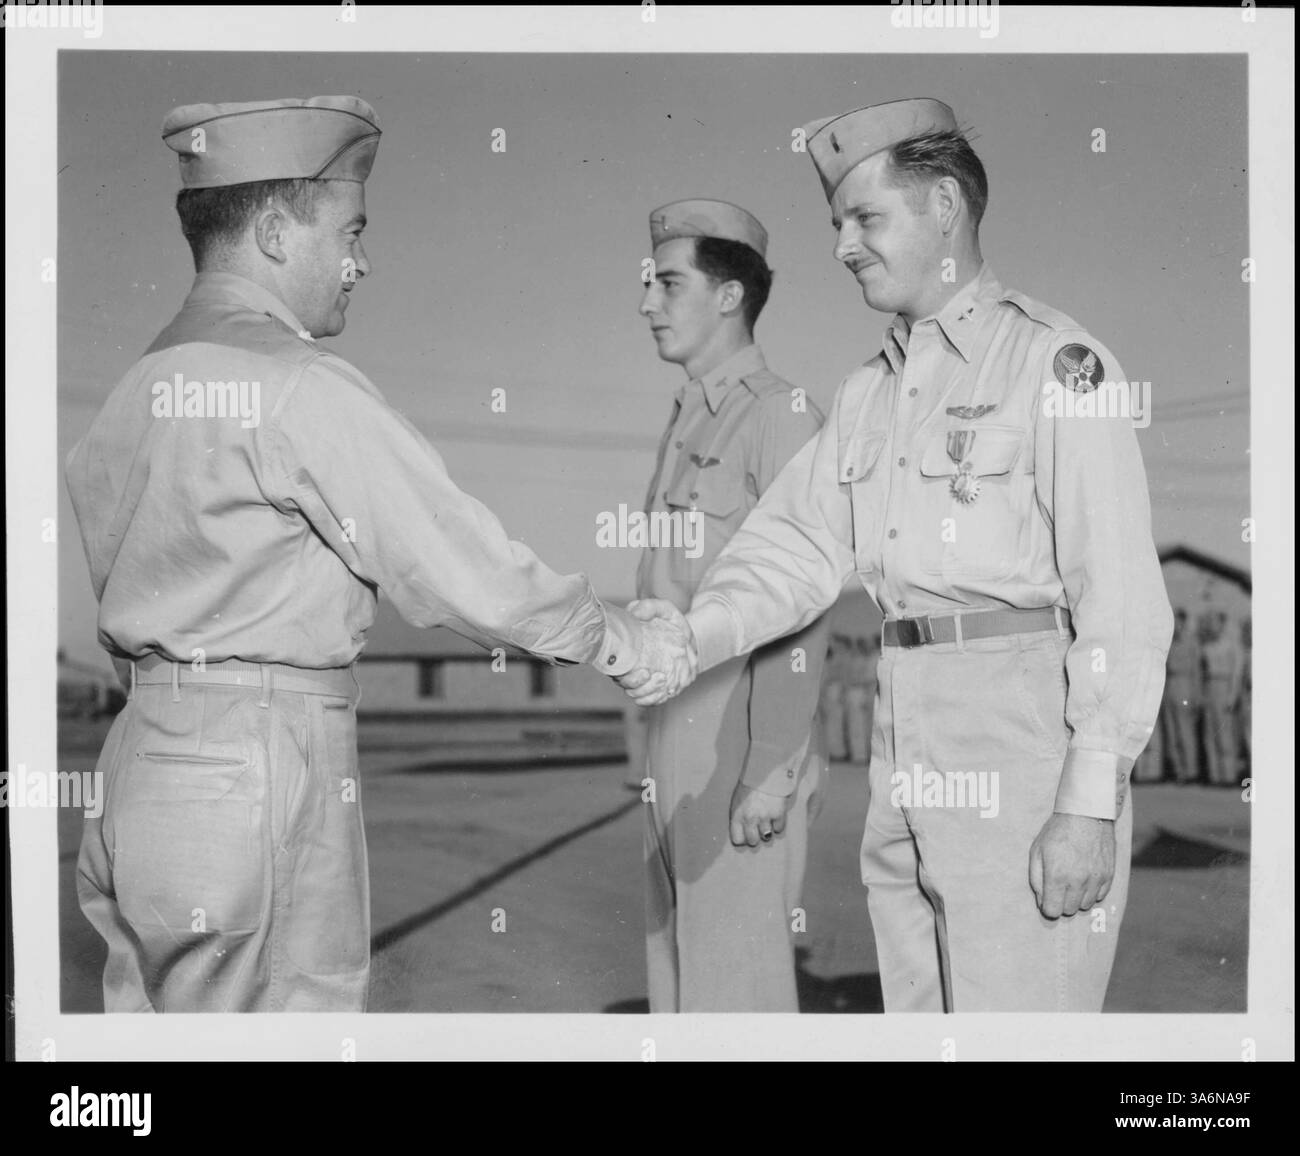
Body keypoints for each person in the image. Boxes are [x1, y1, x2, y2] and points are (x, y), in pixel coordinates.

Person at [66, 95, 666, 1013]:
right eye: (350, 230)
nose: (362, 262)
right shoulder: (296, 384)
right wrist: (621, 638)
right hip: (260, 763)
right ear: (272, 231)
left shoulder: (130, 397)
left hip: (139, 761)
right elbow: (462, 569)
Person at [623, 97, 1173, 1012]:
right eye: (838, 222)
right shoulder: (871, 391)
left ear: (945, 208)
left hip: (1021, 736)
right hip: (903, 731)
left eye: (865, 218)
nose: (842, 245)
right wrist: (691, 636)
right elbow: (793, 543)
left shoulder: (1054, 363)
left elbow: (1117, 596)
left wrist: (1088, 804)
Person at [633, 199, 830, 1011]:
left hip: (736, 744)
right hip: (671, 742)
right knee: (680, 990)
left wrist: (769, 772)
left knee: (734, 997)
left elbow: (804, 615)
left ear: (728, 296)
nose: (647, 304)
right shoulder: (686, 419)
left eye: (668, 284)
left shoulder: (780, 419)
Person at [1200, 610, 1243, 785]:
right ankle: (1215, 775)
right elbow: (1202, 673)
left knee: (1225, 733)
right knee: (1210, 733)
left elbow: (1236, 673)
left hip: (1224, 686)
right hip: (1210, 687)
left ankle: (1228, 775)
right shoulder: (1207, 647)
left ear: (1223, 624)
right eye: (1210, 622)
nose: (1212, 626)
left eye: (1215, 622)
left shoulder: (1232, 645)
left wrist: (1232, 696)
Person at [1160, 607, 1202, 783]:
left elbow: (1197, 671)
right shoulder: (1168, 642)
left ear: (1183, 622)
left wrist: (1196, 694)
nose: (1175, 625)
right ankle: (1179, 772)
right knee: (1172, 731)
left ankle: (1191, 771)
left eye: (1177, 621)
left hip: (1186, 685)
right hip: (1170, 686)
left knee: (1186, 732)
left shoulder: (1192, 643)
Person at [819, 635, 851, 760]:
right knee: (830, 726)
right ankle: (832, 752)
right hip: (828, 693)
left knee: (836, 725)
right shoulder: (827, 661)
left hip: (836, 692)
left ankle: (838, 753)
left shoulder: (842, 659)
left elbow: (843, 677)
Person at [845, 637, 874, 765]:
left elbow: (866, 679)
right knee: (854, 725)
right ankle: (857, 754)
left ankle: (862, 755)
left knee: (861, 726)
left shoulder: (865, 661)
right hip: (853, 692)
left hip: (860, 692)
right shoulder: (853, 660)